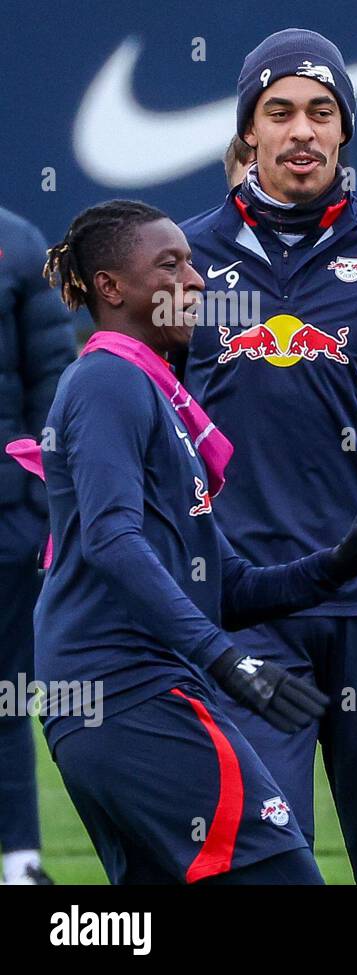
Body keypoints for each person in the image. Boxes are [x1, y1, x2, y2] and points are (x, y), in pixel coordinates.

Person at [12, 200, 357, 884]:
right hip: (134, 696)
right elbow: (112, 540)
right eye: (170, 265)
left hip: (119, 700)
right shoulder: (109, 379)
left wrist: (344, 561)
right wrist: (227, 663)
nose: (196, 279)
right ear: (112, 288)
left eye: (192, 262)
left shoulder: (153, 391)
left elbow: (223, 586)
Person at [177, 28, 357, 884]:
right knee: (269, 847)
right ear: (247, 131)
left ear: (345, 132)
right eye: (280, 110)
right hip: (249, 596)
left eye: (322, 113)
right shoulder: (181, 258)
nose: (302, 130)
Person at [0, 205, 77, 885]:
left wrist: (37, 502)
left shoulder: (16, 245)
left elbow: (53, 383)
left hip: (5, 523)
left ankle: (19, 860)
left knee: (3, 695)